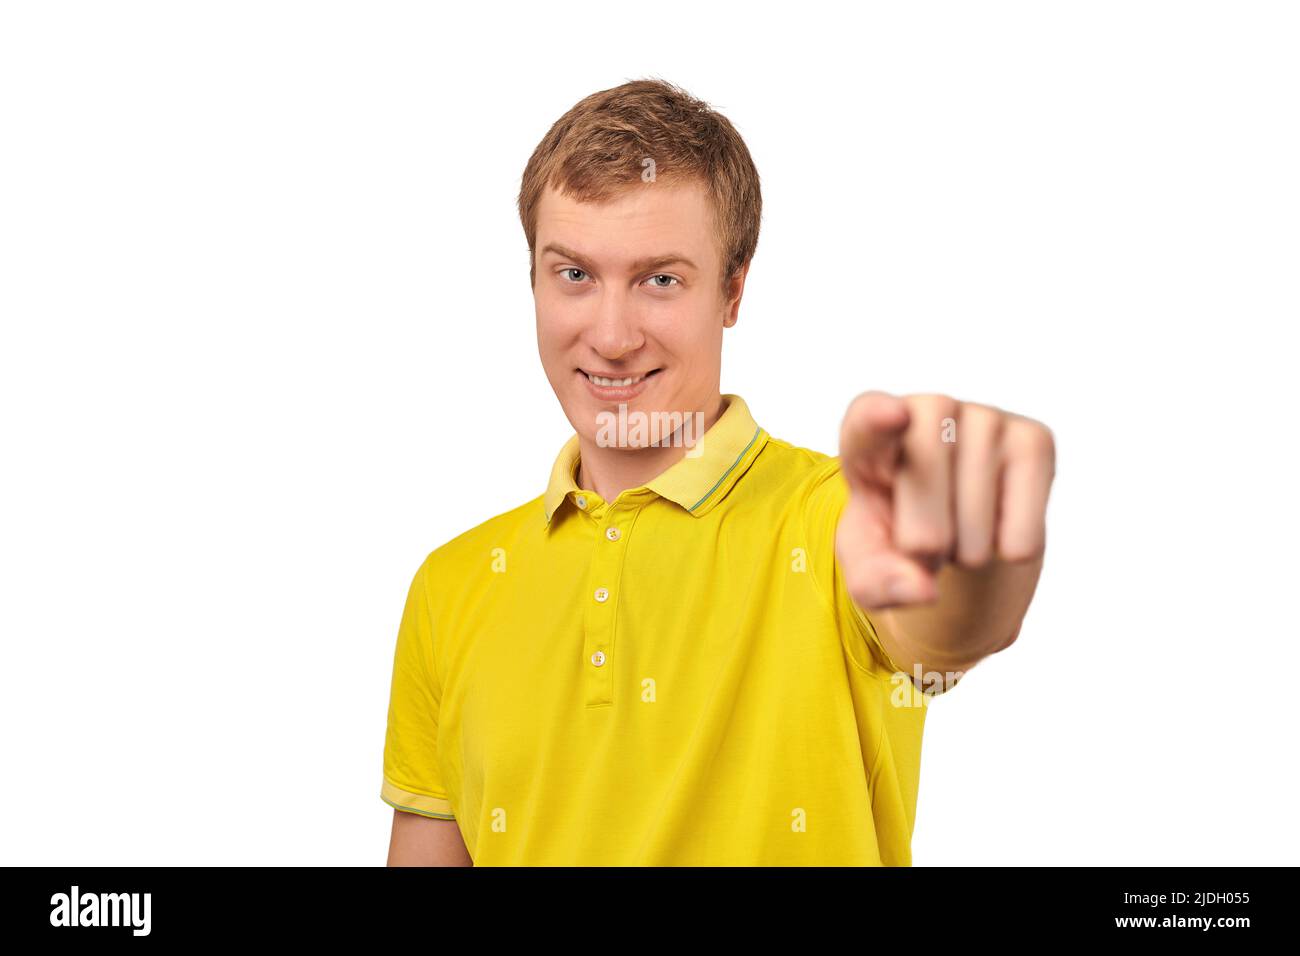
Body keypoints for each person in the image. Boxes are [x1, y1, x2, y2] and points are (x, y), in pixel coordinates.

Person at [382, 78, 1055, 866]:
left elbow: (935, 630)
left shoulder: (832, 517)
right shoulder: (451, 586)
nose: (610, 334)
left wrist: (971, 586)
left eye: (659, 280)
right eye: (574, 275)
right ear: (531, 278)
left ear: (733, 290)